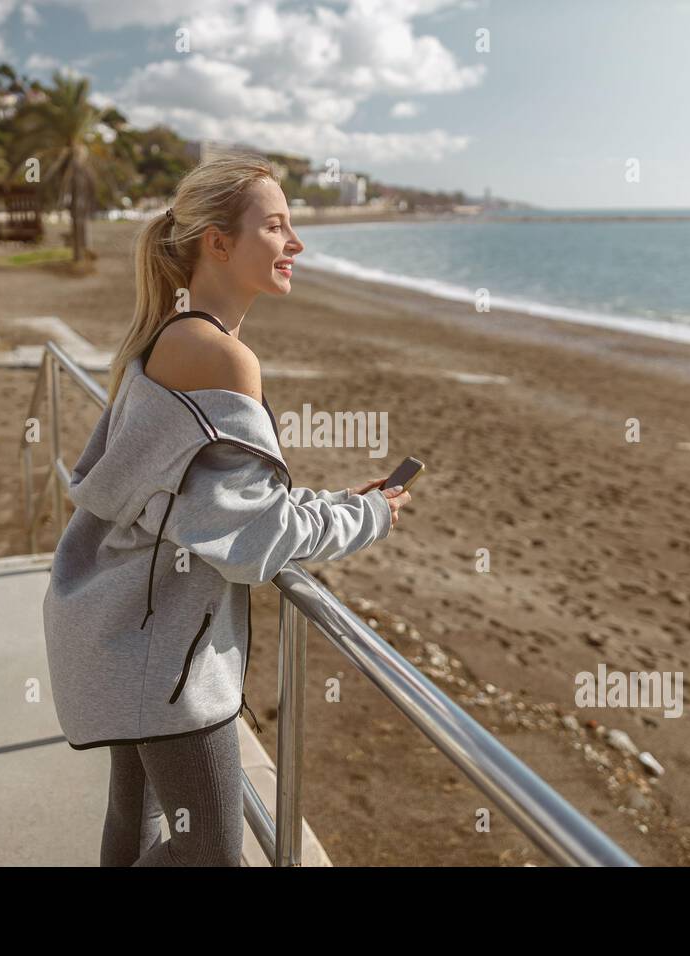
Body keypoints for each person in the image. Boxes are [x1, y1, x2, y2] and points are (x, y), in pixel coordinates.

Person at [41, 154, 412, 866]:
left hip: (117, 629)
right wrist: (368, 519)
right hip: (160, 655)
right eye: (276, 226)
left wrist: (337, 502)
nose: (296, 245)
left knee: (134, 821)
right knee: (212, 853)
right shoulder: (219, 356)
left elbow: (219, 500)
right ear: (218, 242)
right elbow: (254, 540)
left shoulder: (171, 338)